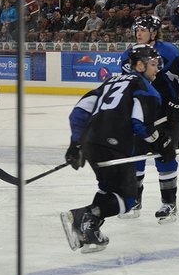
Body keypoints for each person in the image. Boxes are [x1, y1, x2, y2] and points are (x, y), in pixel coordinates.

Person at [60, 44, 172, 253]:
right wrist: (163, 144)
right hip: (116, 146)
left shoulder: (109, 82)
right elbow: (141, 125)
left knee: (108, 188)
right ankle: (85, 216)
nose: (157, 70)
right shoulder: (147, 89)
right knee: (127, 199)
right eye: (154, 65)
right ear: (140, 65)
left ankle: (88, 232)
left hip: (91, 142)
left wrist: (76, 144)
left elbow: (79, 113)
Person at [118, 15, 179, 223]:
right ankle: (134, 200)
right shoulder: (128, 55)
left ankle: (169, 203)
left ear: (154, 32)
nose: (139, 33)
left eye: (143, 30)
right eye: (137, 29)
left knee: (165, 158)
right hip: (140, 117)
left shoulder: (168, 52)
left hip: (166, 117)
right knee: (136, 159)